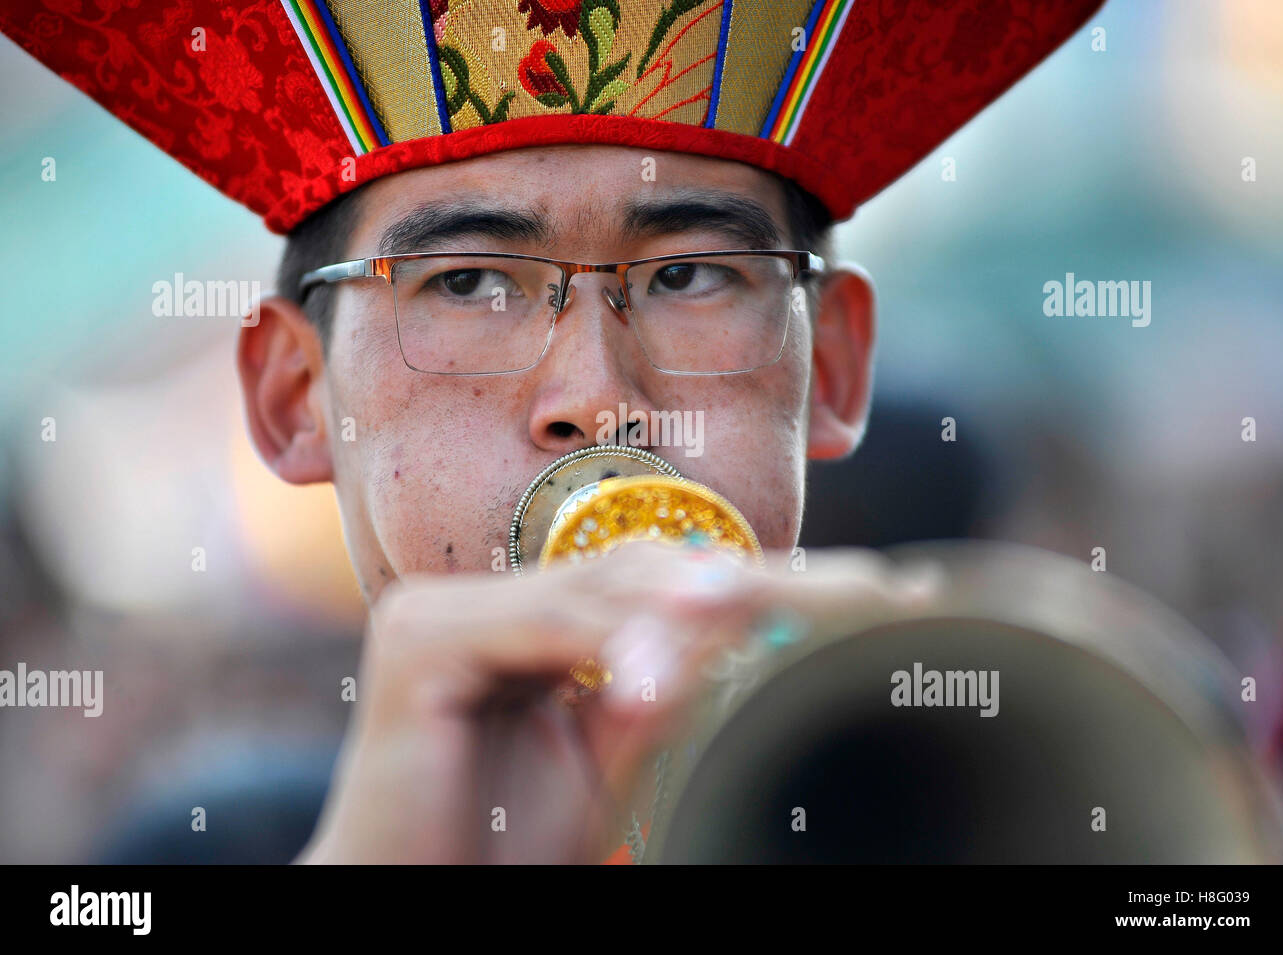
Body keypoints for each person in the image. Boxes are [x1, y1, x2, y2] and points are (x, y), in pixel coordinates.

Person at [1, 0, 1105, 863]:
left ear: (832, 366)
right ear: (296, 399)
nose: (601, 394)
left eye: (688, 274)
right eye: (471, 281)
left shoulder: (987, 806)